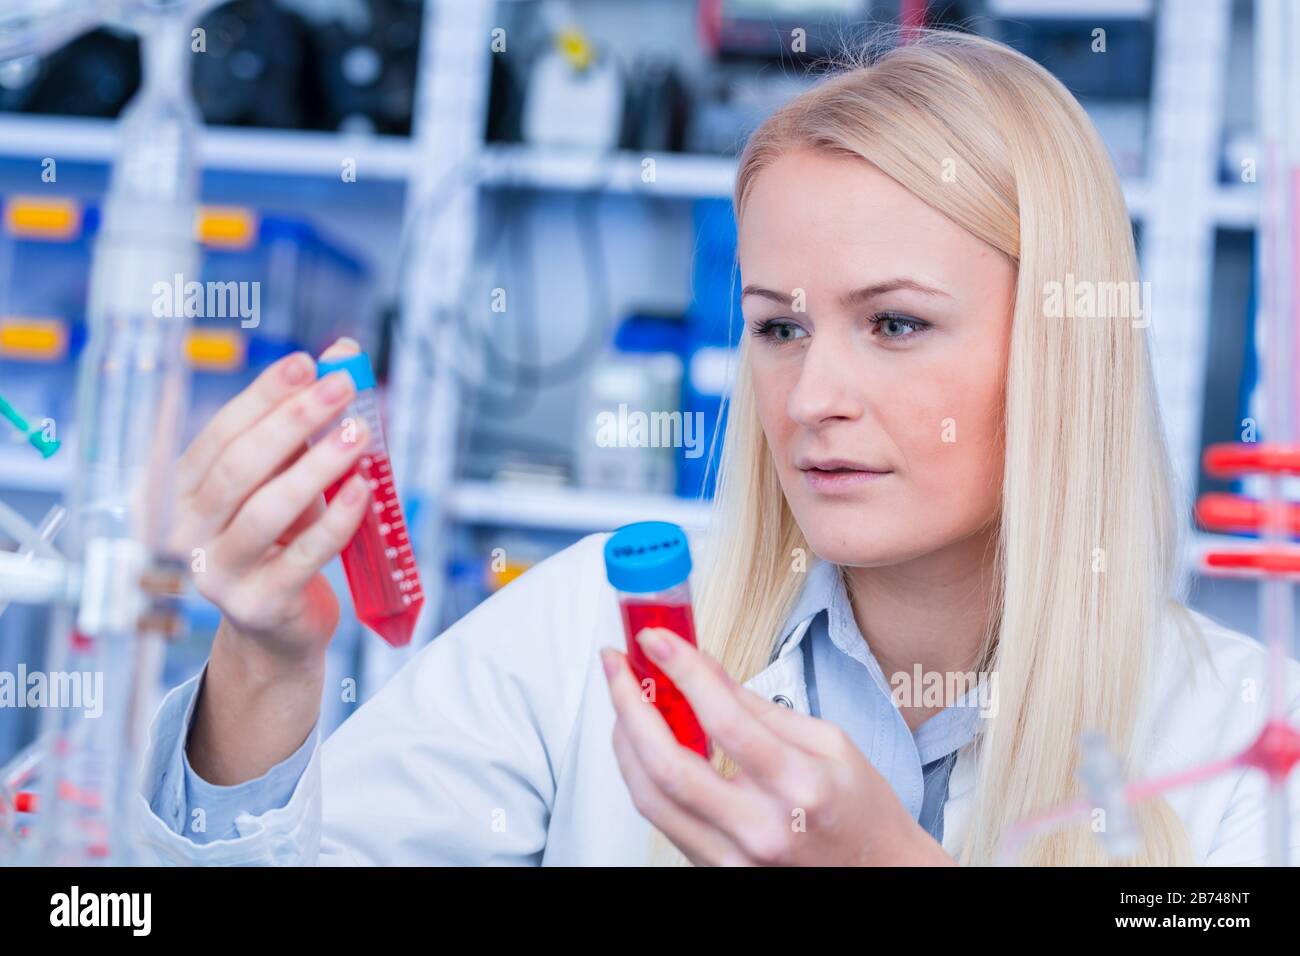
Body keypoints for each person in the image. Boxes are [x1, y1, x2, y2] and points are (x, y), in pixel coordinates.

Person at [137, 29, 1300, 866]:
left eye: (894, 322)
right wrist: (264, 666)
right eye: (779, 326)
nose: (812, 395)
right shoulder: (588, 624)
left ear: (1062, 345)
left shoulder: (1245, 740)